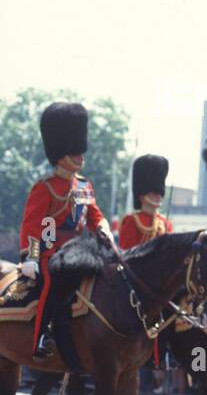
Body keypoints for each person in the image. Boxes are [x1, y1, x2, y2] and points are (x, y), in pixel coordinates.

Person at [19, 103, 116, 359]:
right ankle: (40, 336)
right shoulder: (46, 187)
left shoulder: (85, 186)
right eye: (74, 152)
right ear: (61, 153)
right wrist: (30, 257)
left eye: (80, 152)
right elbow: (32, 225)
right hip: (51, 251)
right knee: (53, 281)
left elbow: (94, 215)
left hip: (81, 250)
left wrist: (104, 228)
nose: (80, 157)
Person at [117, 154, 174, 250]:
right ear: (142, 194)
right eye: (154, 192)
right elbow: (127, 255)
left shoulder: (166, 224)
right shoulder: (131, 221)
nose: (158, 195)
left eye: (160, 192)